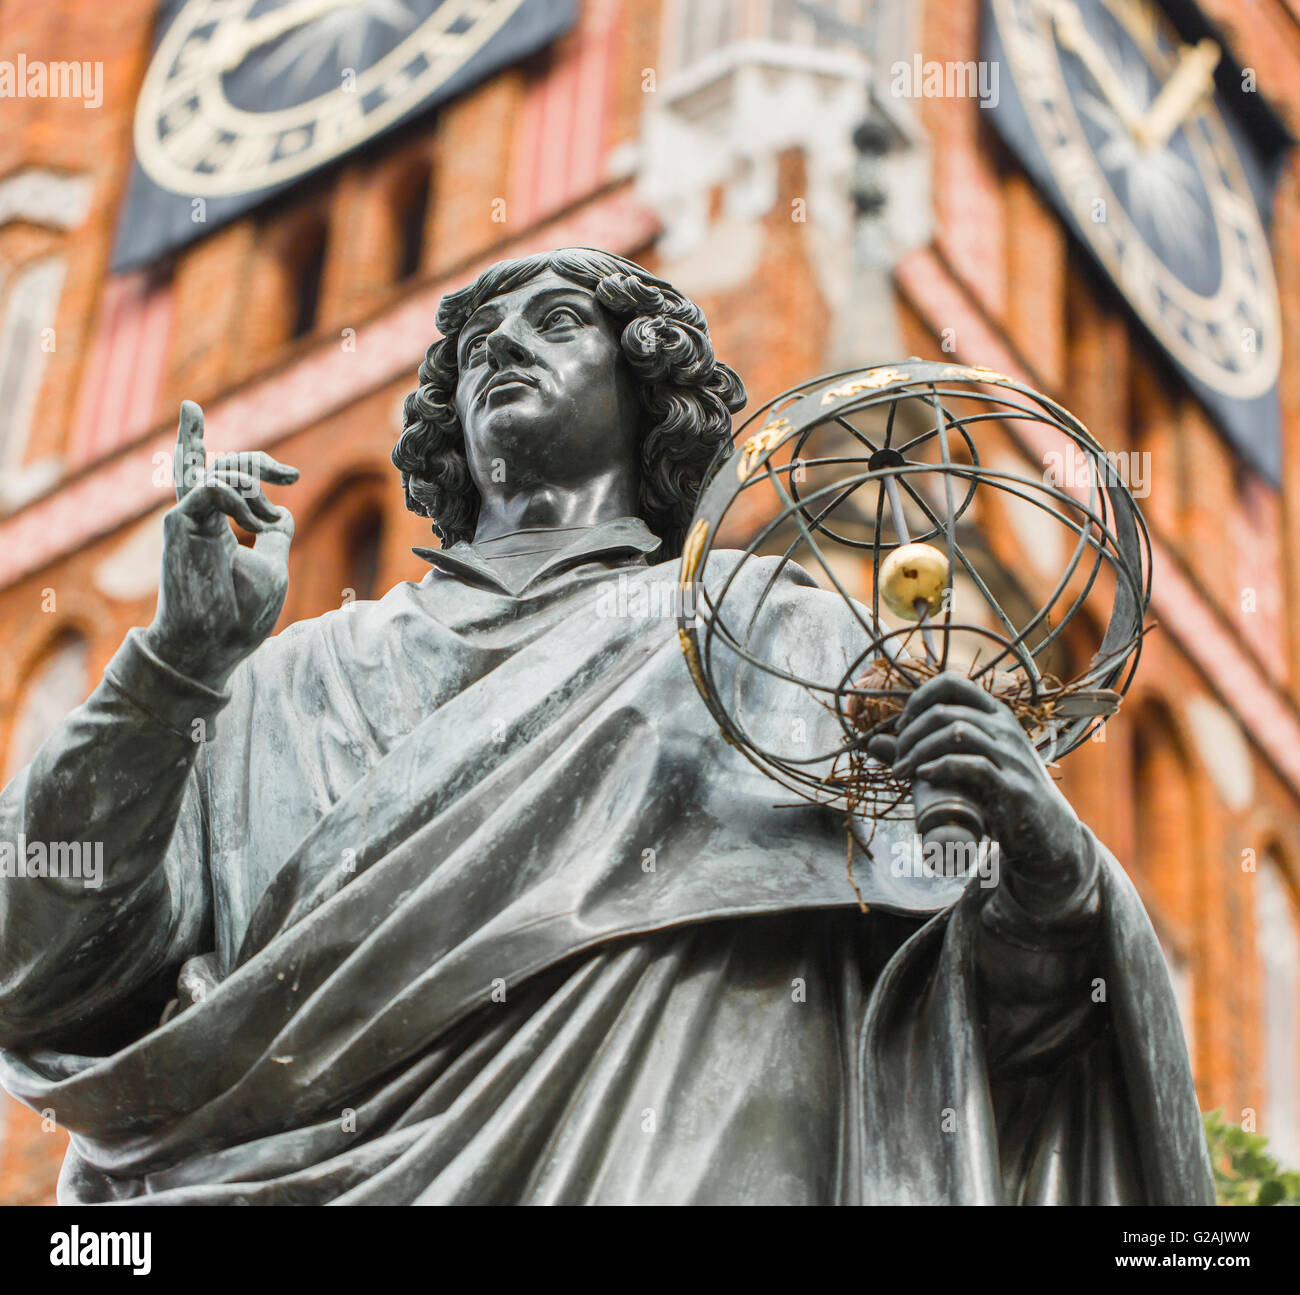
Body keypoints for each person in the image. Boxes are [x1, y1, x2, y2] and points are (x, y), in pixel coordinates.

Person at [0, 247, 1211, 1204]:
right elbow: (37, 974)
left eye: (555, 322)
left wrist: (1052, 888)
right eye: (474, 342)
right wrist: (170, 668)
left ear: (650, 395)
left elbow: (954, 1009)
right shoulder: (278, 679)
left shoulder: (771, 630)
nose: (501, 350)